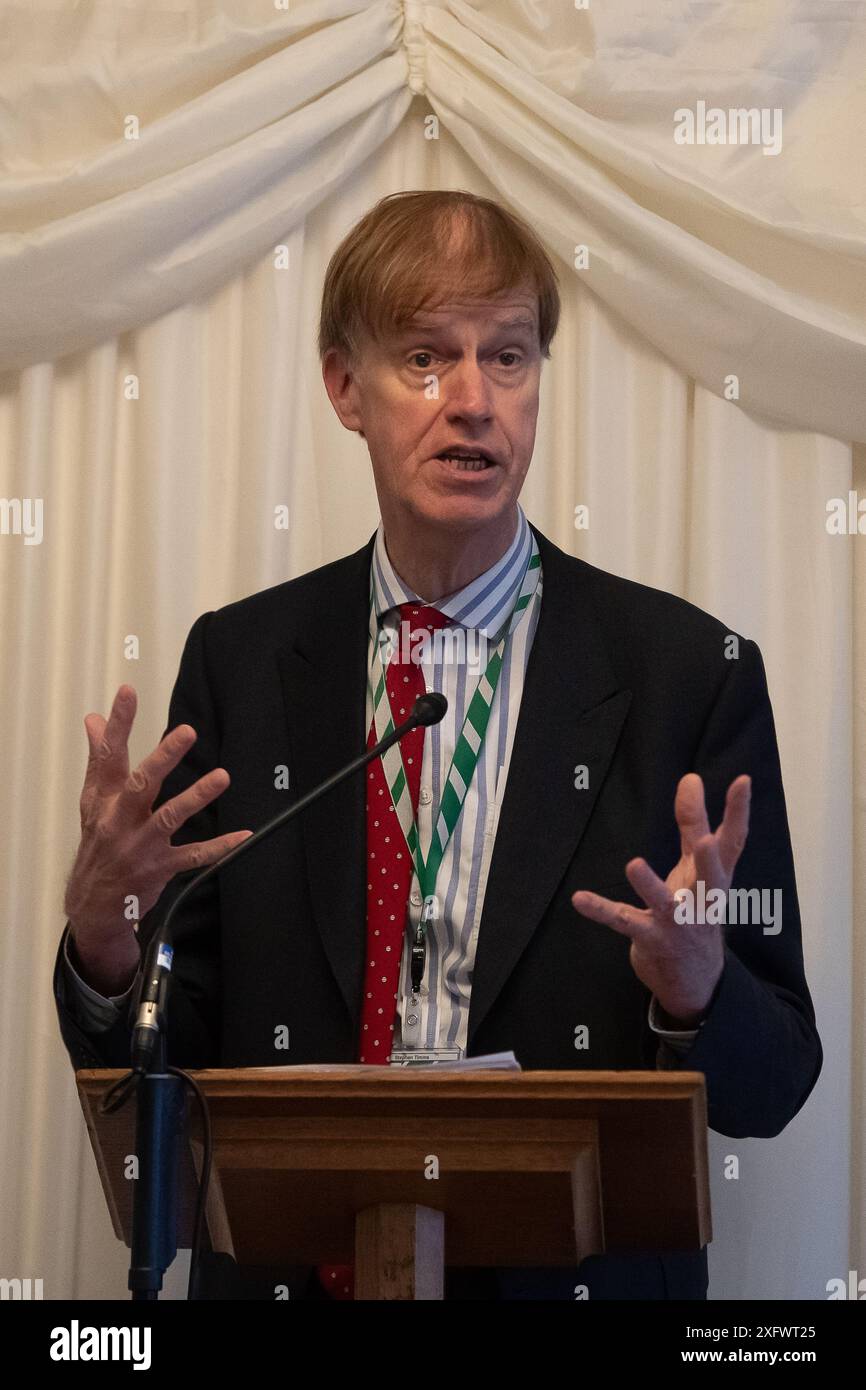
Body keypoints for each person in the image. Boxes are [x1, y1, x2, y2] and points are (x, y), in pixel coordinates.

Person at [54, 190, 822, 1301]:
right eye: (424, 358)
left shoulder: (684, 676)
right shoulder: (241, 661)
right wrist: (108, 938)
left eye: (506, 358)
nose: (472, 402)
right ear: (342, 387)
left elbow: (776, 1080)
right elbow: (168, 1054)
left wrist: (695, 994)